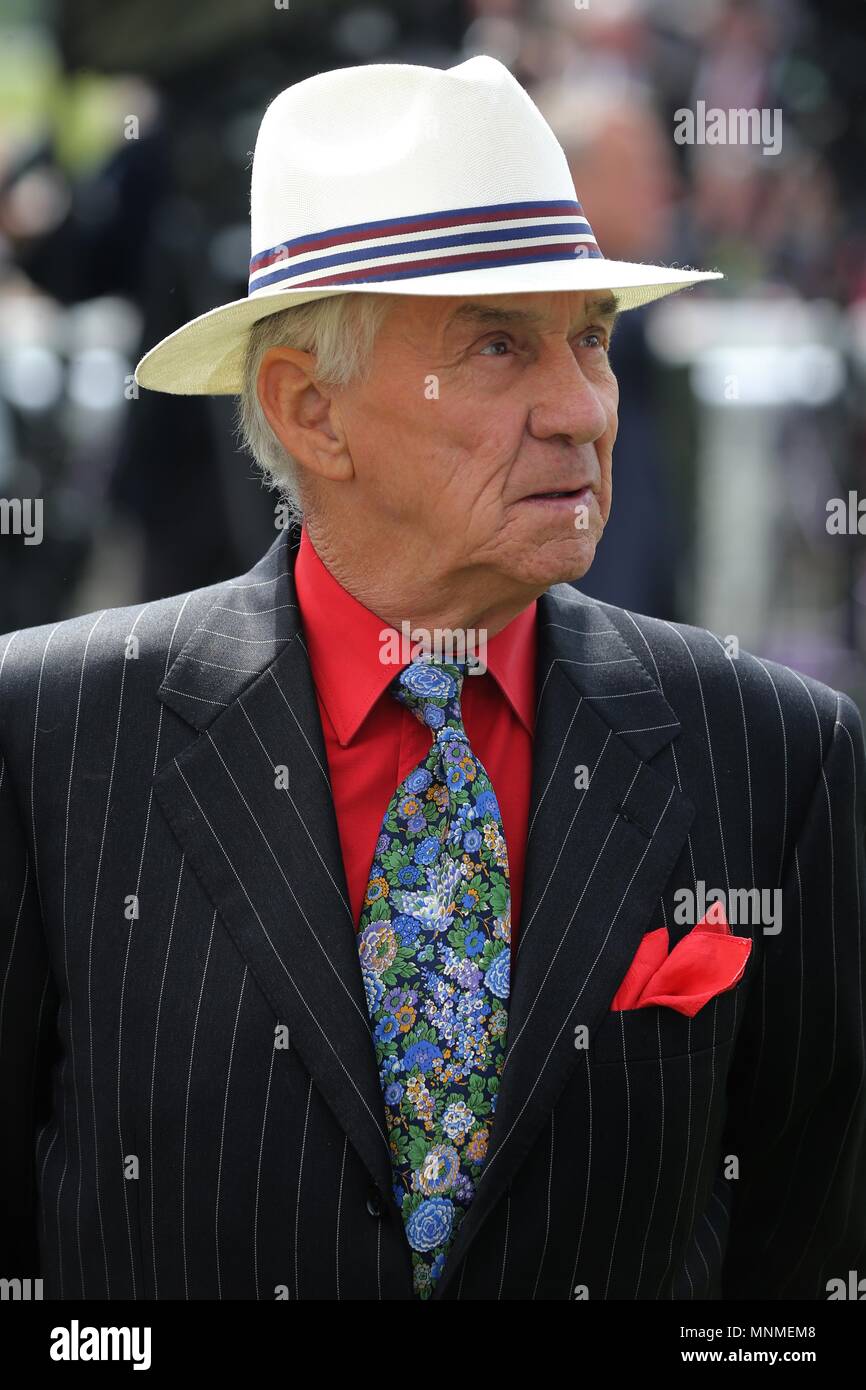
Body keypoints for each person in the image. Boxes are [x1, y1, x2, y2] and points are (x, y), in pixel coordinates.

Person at [1, 54, 863, 1302]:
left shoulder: (774, 753)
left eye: (590, 338)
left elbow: (803, 1267)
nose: (580, 409)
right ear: (310, 411)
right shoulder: (49, 740)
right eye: (499, 345)